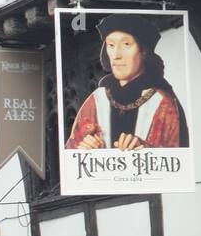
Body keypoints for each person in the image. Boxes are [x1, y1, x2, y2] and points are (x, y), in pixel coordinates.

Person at [66, 14, 189, 151]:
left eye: (126, 44)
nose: (116, 55)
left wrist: (144, 151)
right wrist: (85, 149)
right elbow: (71, 153)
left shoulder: (162, 104)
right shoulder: (96, 100)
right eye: (111, 45)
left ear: (143, 51)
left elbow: (177, 160)